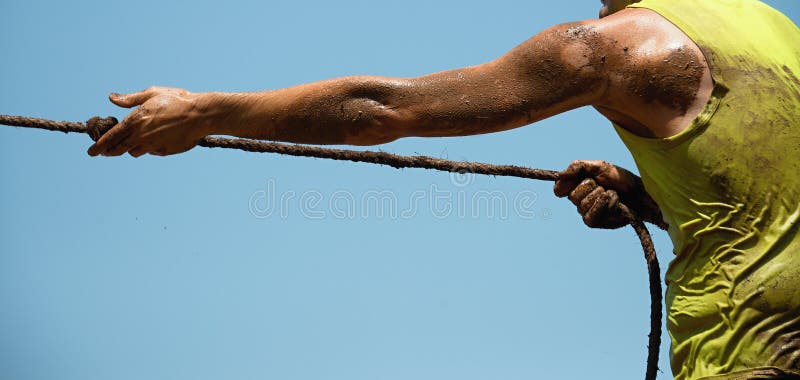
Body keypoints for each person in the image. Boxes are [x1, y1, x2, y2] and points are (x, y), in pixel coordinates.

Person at [86, 0, 800, 378]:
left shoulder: (610, 45)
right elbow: (770, 204)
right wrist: (651, 199)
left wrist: (209, 112)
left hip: (748, 357)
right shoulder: (773, 26)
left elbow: (384, 109)